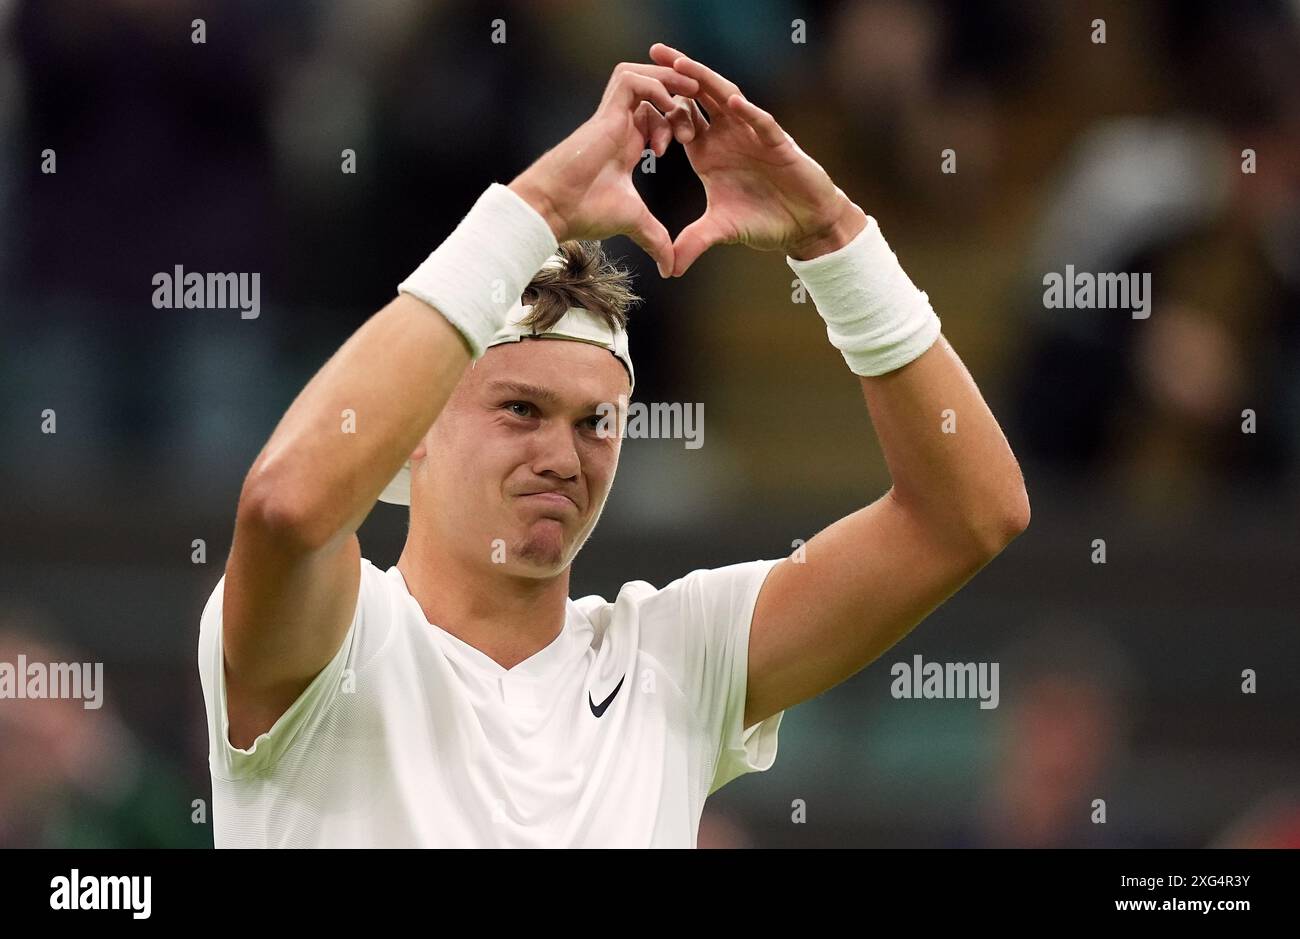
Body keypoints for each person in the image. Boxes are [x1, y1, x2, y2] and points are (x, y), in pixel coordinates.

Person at [198, 43, 1029, 848]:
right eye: (520, 408)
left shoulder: (674, 656)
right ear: (411, 431)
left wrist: (833, 237)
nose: (564, 458)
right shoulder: (341, 637)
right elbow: (284, 505)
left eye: (596, 422)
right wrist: (537, 207)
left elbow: (971, 513)